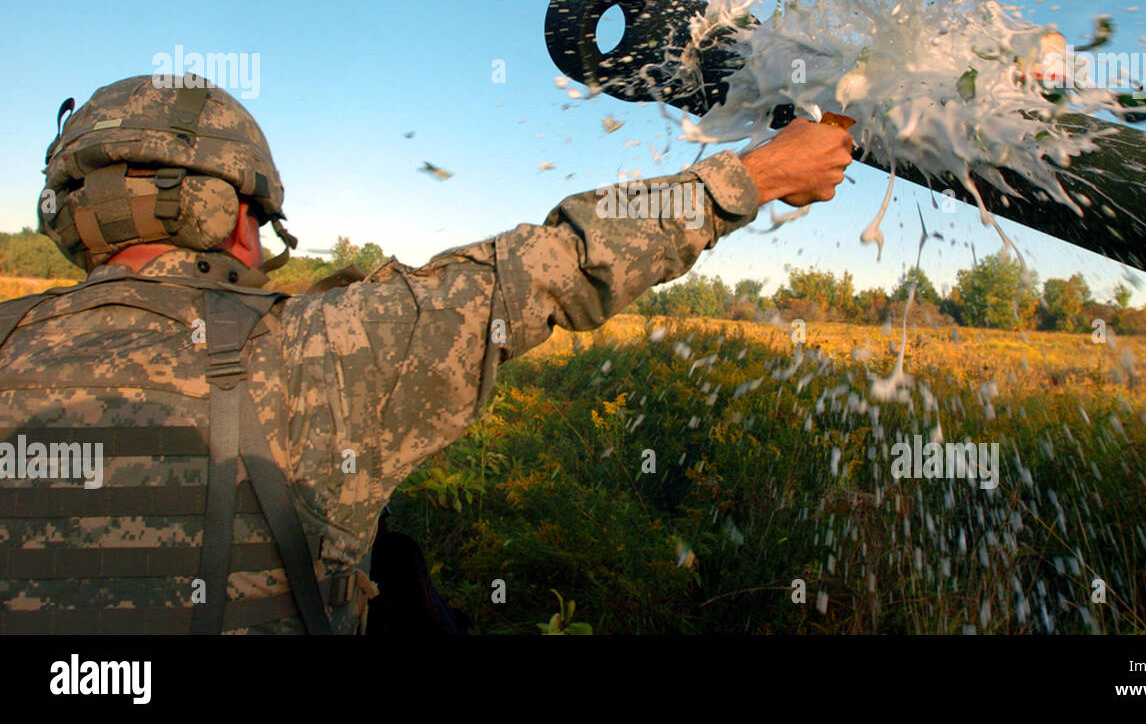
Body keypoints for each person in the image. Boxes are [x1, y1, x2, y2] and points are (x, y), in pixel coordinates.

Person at [0, 74, 853, 634]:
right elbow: (557, 263)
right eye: (258, 220)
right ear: (228, 215)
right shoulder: (315, 350)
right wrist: (764, 173)